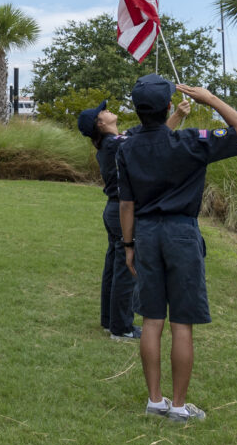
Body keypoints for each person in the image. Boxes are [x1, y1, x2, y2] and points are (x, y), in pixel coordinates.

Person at [117, 74, 237, 422]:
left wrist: (129, 245)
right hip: (180, 233)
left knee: (151, 320)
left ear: (137, 109)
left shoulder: (127, 147)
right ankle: (178, 406)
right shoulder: (191, 142)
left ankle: (154, 400)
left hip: (145, 234)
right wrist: (209, 99)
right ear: (167, 108)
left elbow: (126, 205)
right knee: (181, 323)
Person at [78, 97, 189, 341]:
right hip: (121, 212)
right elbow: (152, 143)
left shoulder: (114, 142)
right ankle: (121, 327)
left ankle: (110, 321)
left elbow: (147, 133)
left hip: (113, 211)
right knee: (124, 271)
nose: (107, 110)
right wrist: (178, 115)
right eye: (102, 111)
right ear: (100, 124)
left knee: (113, 267)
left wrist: (164, 117)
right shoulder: (115, 144)